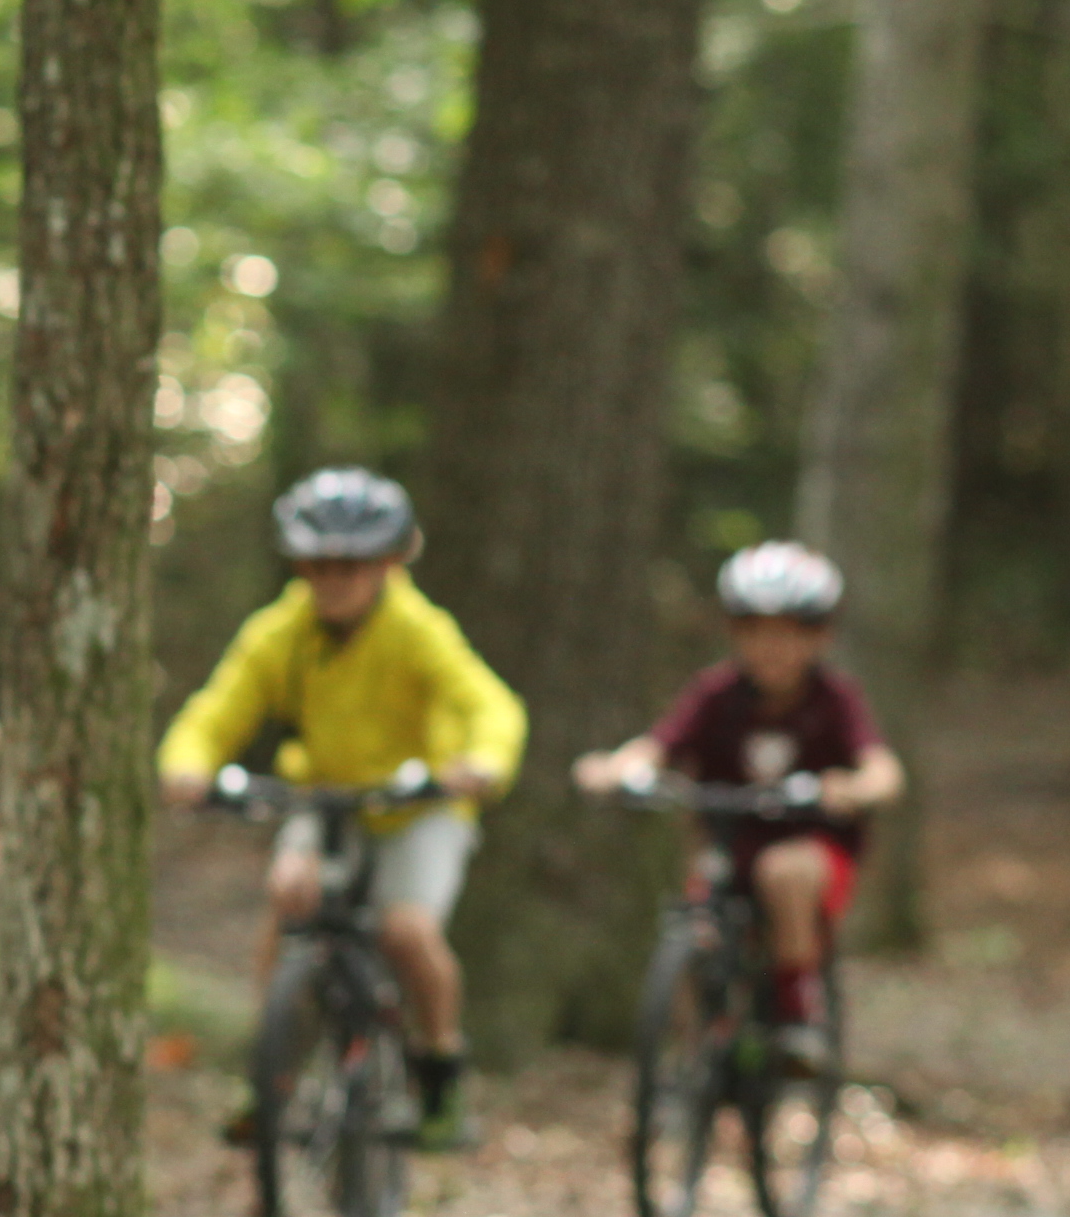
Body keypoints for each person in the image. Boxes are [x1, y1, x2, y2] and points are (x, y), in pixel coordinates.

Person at [156, 467, 524, 1150]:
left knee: (407, 932)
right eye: (319, 565)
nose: (335, 580)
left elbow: (489, 705)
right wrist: (186, 765)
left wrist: (483, 763)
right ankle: (270, 1076)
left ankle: (440, 1070)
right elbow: (215, 710)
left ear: (388, 562)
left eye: (353, 565)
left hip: (419, 804)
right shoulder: (280, 629)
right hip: (325, 798)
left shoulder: (418, 628)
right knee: (286, 895)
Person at [571, 540, 904, 1074]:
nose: (770, 647)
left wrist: (855, 788)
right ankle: (704, 1046)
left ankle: (798, 1014)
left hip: (813, 854)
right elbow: (659, 745)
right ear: (735, 633)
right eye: (755, 631)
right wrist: (616, 769)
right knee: (692, 926)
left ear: (819, 637)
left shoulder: (836, 699)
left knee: (783, 873)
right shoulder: (715, 693)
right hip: (729, 846)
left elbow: (884, 772)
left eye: (788, 633)